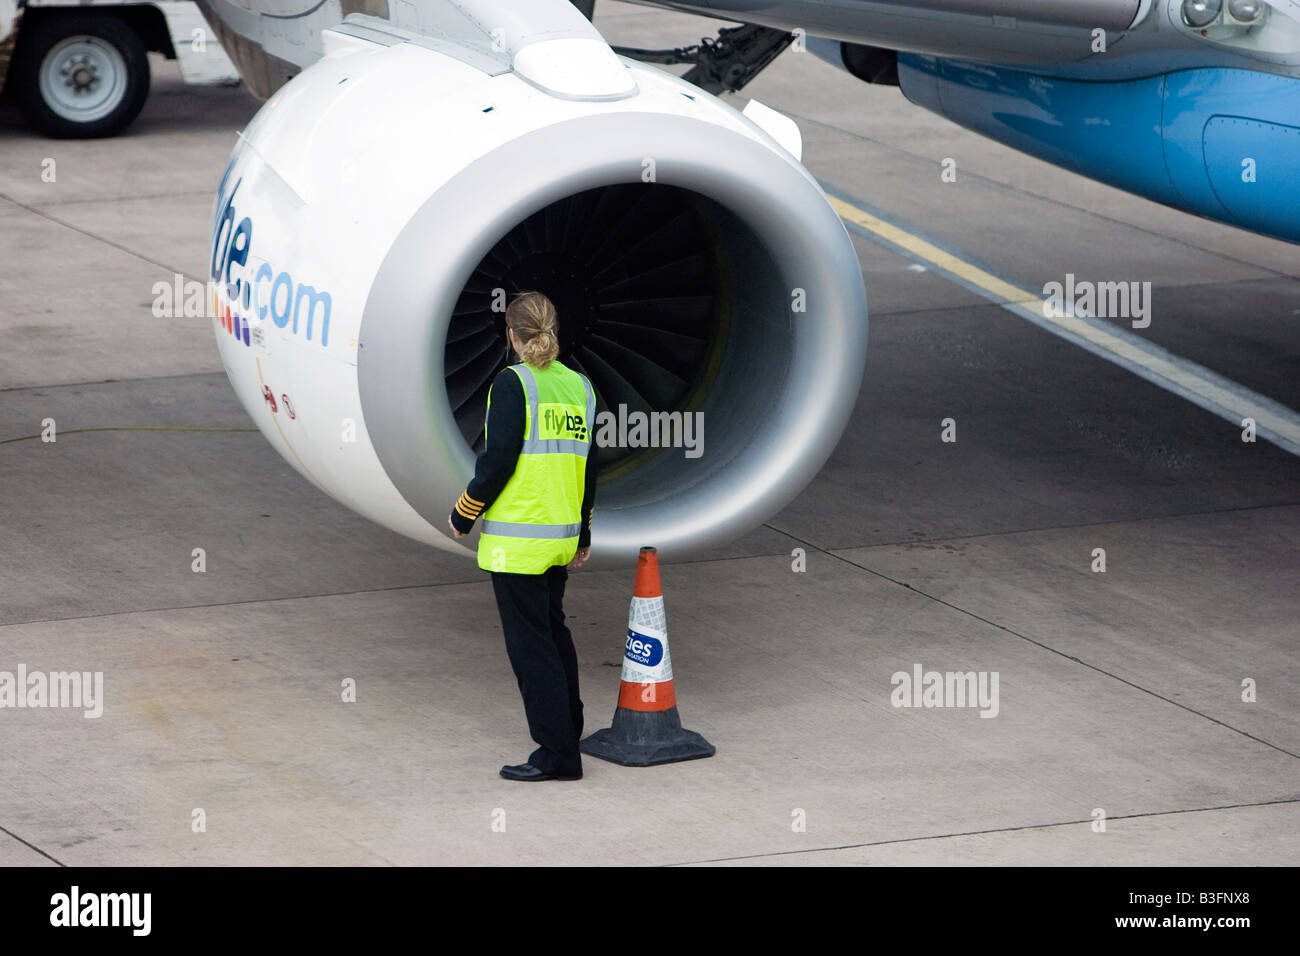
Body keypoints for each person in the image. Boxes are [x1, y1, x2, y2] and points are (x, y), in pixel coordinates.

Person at [448, 291, 598, 782]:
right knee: (555, 634)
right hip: (558, 536)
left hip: (518, 542)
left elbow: (497, 461)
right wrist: (582, 533)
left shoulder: (513, 384)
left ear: (512, 335)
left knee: (531, 647)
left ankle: (557, 755)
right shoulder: (579, 387)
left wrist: (465, 512)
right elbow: (588, 467)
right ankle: (568, 733)